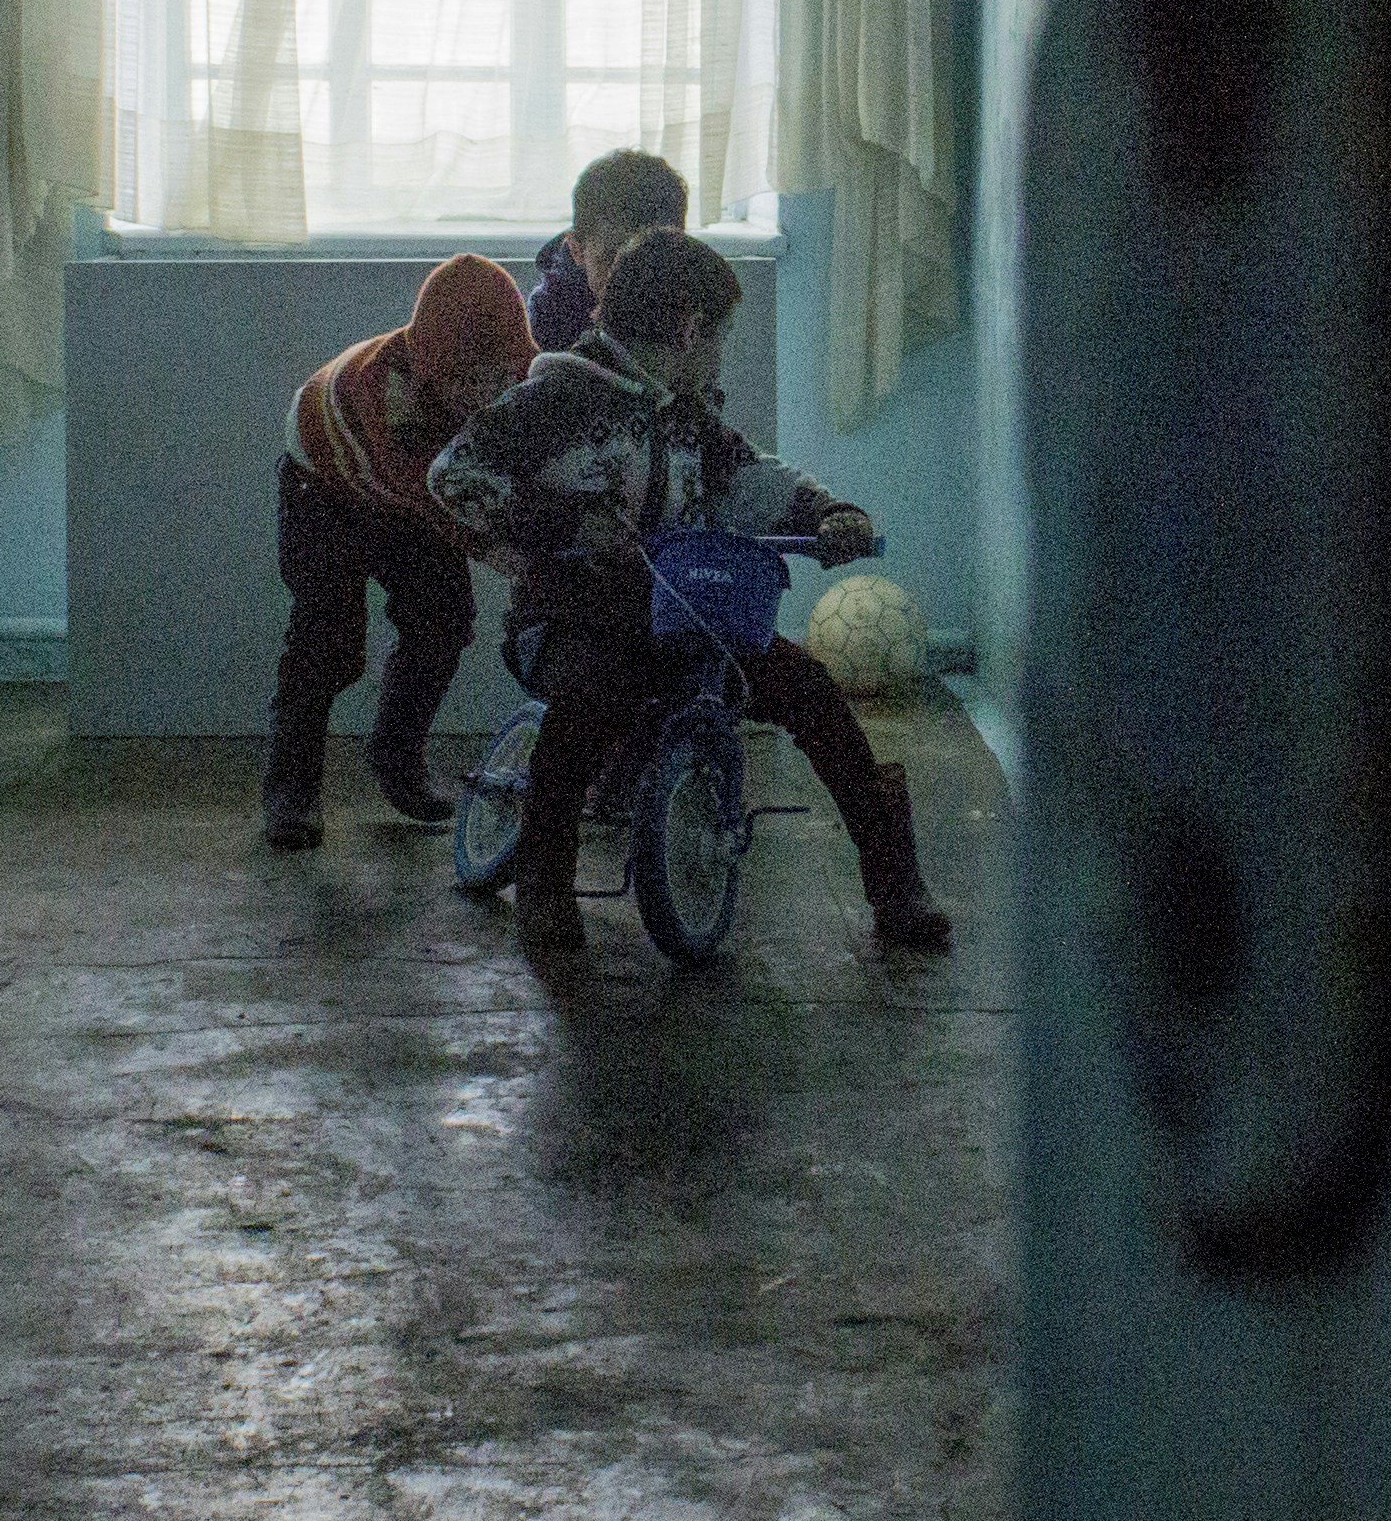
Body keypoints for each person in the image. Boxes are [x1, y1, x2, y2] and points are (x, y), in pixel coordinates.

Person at [428, 230, 953, 954]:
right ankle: (546, 882)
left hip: (679, 615)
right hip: (570, 614)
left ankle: (894, 882)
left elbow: (747, 476)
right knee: (586, 698)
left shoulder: (686, 415)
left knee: (806, 690)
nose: (717, 356)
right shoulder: (550, 402)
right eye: (719, 338)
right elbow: (454, 476)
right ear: (690, 328)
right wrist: (563, 523)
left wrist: (824, 514)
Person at [260, 252, 539, 852]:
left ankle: (396, 755)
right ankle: (291, 788)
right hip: (326, 486)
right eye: (467, 380)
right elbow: (433, 497)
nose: (485, 394)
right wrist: (502, 548)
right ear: (431, 363)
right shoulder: (386, 393)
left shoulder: (516, 374)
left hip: (409, 495)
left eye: (499, 376)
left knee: (443, 618)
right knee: (326, 641)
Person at [525, 148, 691, 356]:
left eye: (653, 257)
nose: (632, 276)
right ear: (576, 250)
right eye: (612, 259)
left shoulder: (691, 304)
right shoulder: (552, 316)